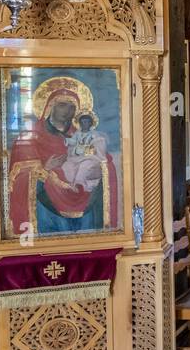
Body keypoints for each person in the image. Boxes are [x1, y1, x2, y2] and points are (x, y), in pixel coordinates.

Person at [8, 79, 118, 236]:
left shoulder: (83, 136)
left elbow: (104, 162)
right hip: (46, 208)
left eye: (72, 107)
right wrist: (44, 169)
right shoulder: (30, 138)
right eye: (62, 105)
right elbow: (18, 177)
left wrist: (99, 170)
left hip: (85, 204)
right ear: (49, 106)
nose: (67, 111)